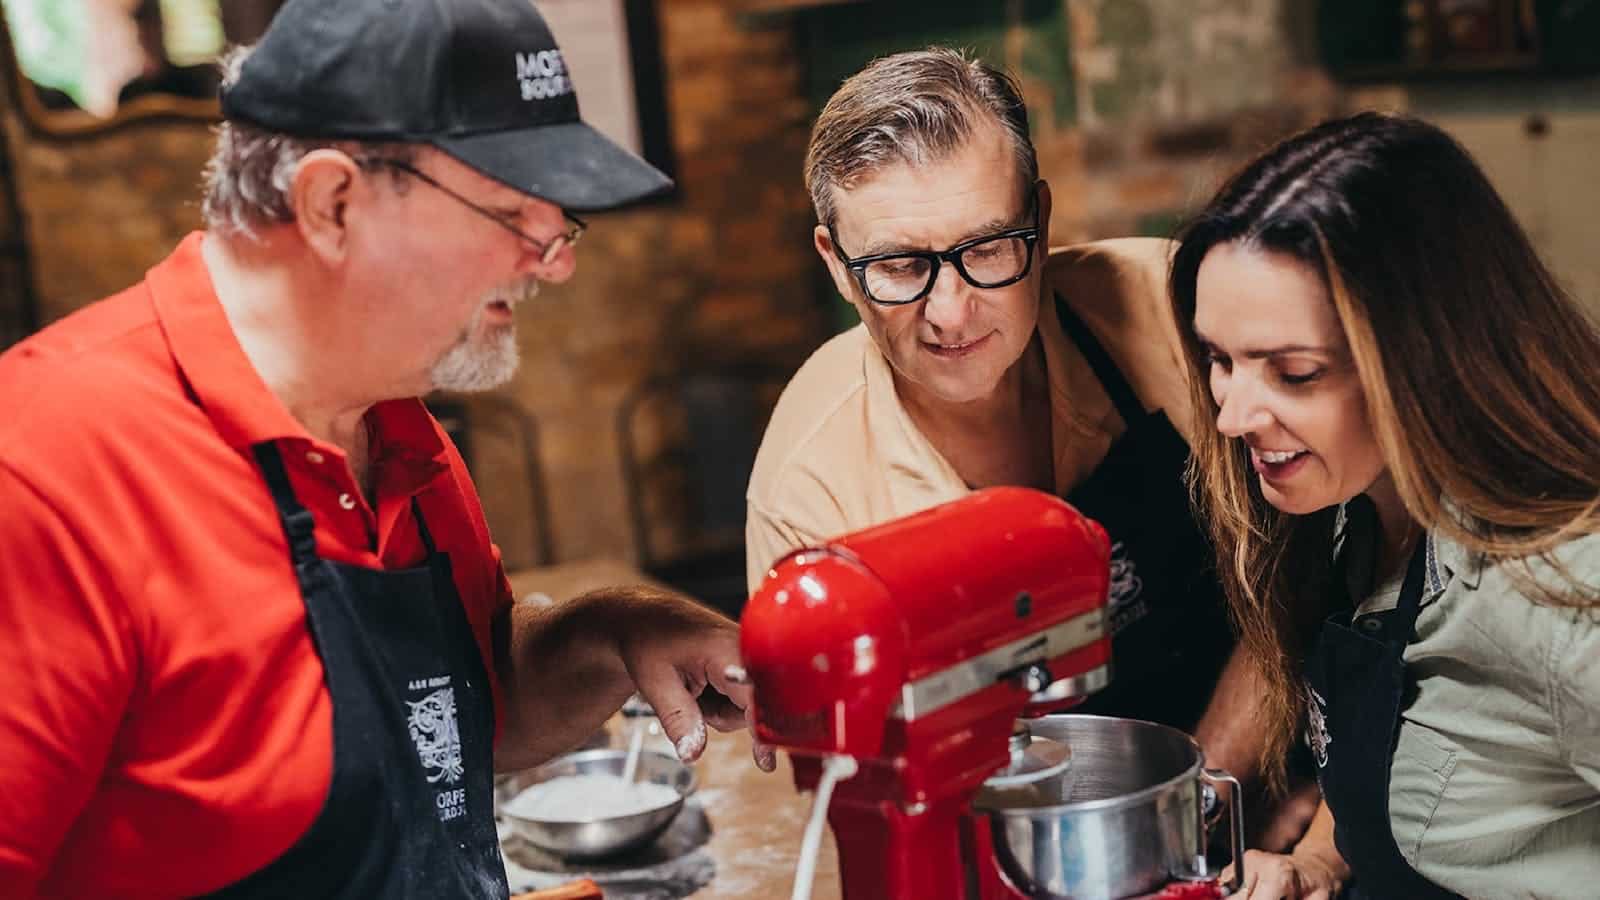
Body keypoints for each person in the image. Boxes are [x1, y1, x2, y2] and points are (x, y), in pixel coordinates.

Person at [0, 1, 770, 897]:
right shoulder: (46, 470)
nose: (555, 258)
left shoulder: (397, 427)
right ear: (332, 203)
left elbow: (451, 716)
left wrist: (614, 632)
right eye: (511, 210)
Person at [743, 45, 1298, 829]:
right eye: (900, 266)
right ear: (837, 264)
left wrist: (1206, 804)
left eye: (987, 249)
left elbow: (1307, 562)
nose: (950, 313)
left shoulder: (1172, 310)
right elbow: (866, 798)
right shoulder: (812, 492)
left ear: (1038, 219)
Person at [1169, 111, 1600, 900]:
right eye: (1219, 359)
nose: (1231, 417)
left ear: (1425, 354)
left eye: (1295, 373)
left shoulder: (1565, 594)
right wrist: (1316, 865)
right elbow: (1416, 755)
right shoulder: (1356, 511)